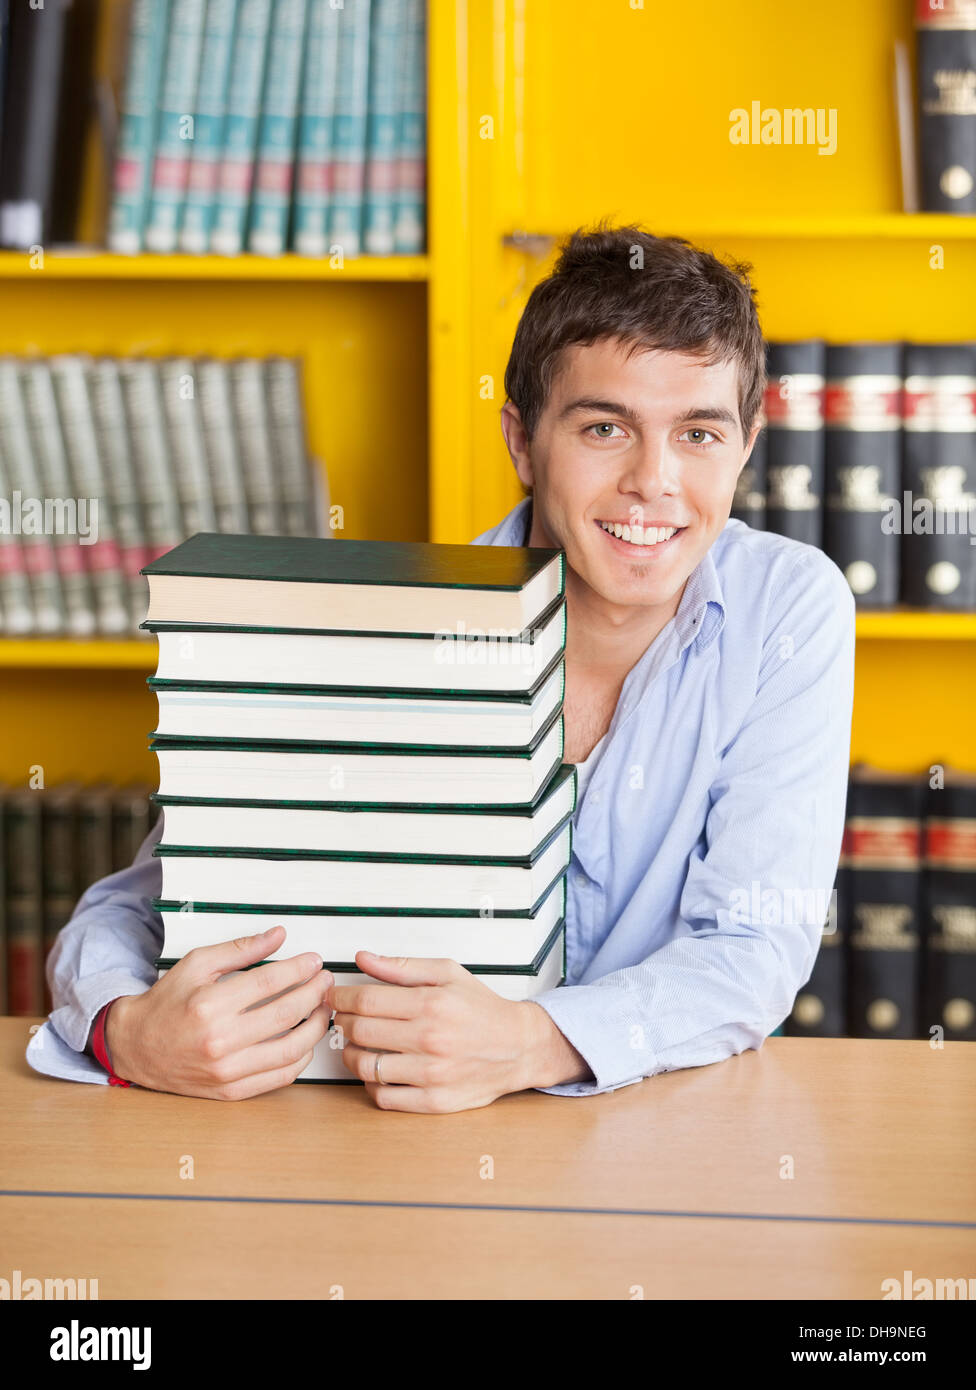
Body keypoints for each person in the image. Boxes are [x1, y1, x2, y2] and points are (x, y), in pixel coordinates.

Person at [25, 224, 854, 1112]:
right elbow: (134, 905)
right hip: (368, 1133)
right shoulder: (383, 629)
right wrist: (125, 1029)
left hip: (659, 1139)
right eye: (605, 427)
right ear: (522, 441)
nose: (655, 481)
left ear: (748, 443)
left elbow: (754, 947)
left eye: (697, 433)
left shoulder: (788, 610)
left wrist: (534, 1041)